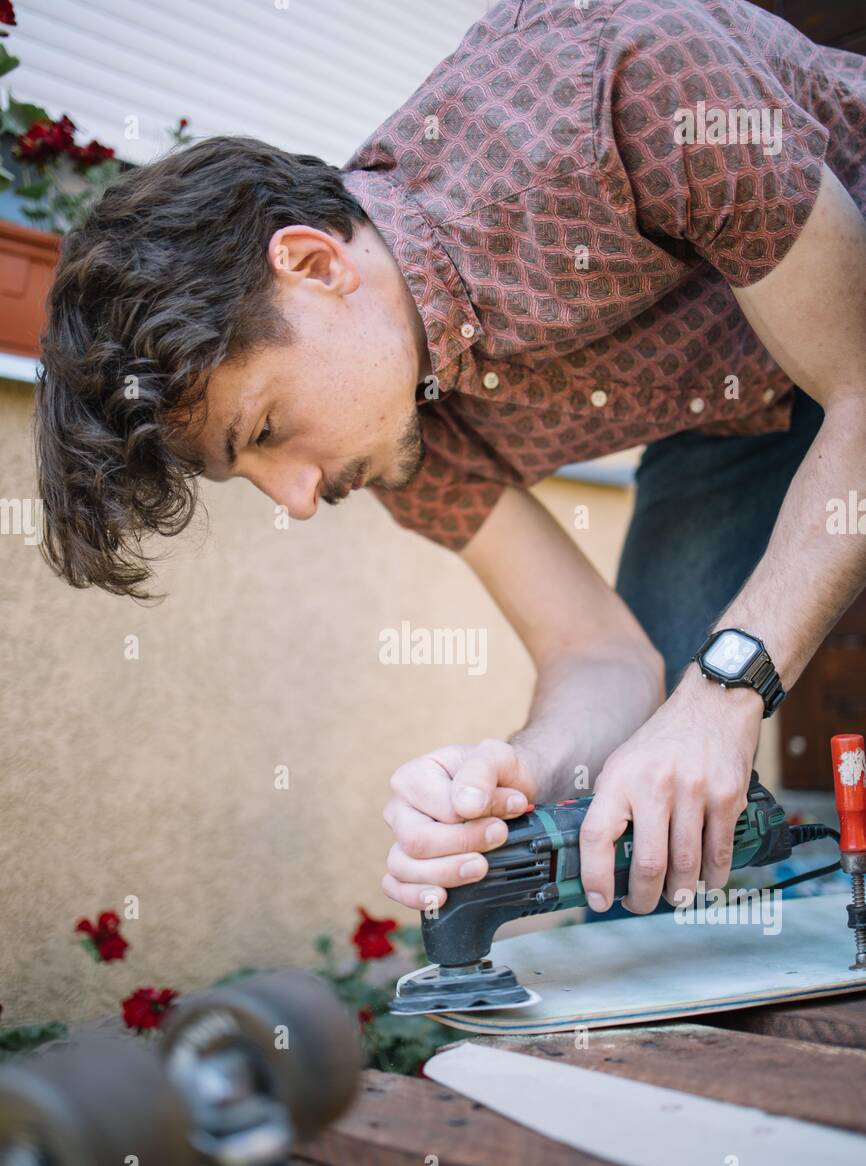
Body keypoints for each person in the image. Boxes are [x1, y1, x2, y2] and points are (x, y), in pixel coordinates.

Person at [36, 0, 866, 919]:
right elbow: (600, 655)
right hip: (729, 420)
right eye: (253, 474)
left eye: (266, 430)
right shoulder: (390, 439)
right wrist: (520, 770)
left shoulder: (616, 90)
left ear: (314, 265)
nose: (301, 499)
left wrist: (725, 691)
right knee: (637, 804)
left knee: (712, 689)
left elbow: (863, 391)